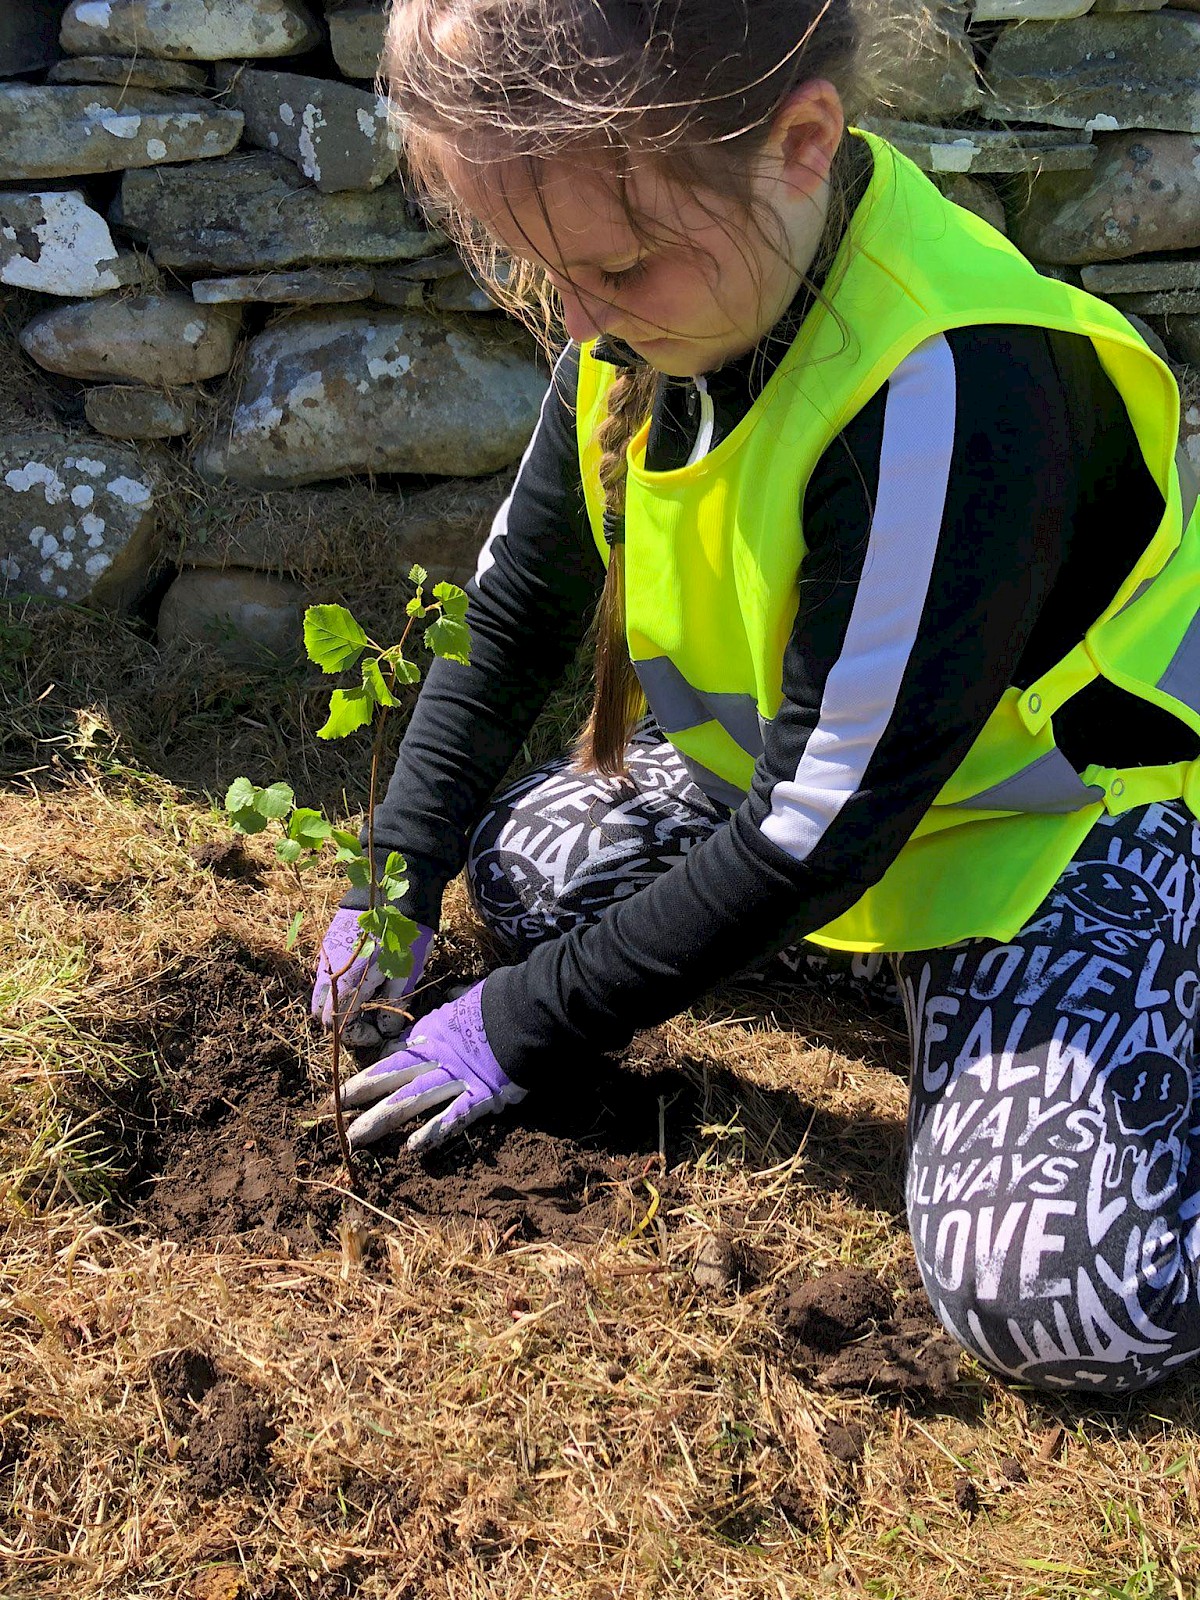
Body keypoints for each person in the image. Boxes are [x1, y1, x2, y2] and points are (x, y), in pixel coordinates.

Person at [309, 0, 1200, 1393]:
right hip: (852, 796)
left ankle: (1073, 985)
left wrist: (518, 1025)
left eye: (619, 267)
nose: (582, 321)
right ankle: (937, 994)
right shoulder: (643, 322)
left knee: (1062, 1298)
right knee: (538, 871)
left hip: (1055, 828)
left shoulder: (947, 387)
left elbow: (815, 826)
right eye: (547, 274)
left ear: (799, 145)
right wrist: (396, 866)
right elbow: (513, 619)